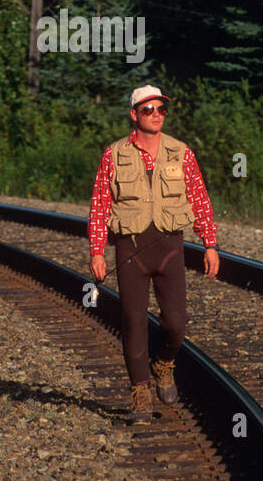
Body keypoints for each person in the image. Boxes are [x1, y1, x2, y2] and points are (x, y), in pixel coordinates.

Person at [88, 85, 219, 425]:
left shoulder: (181, 152)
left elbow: (199, 197)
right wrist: (97, 251)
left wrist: (209, 244)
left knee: (176, 323)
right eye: (148, 110)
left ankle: (163, 363)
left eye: (160, 109)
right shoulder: (114, 154)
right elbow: (100, 205)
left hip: (169, 246)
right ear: (134, 115)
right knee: (132, 320)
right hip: (130, 247)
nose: (156, 114)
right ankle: (140, 395)